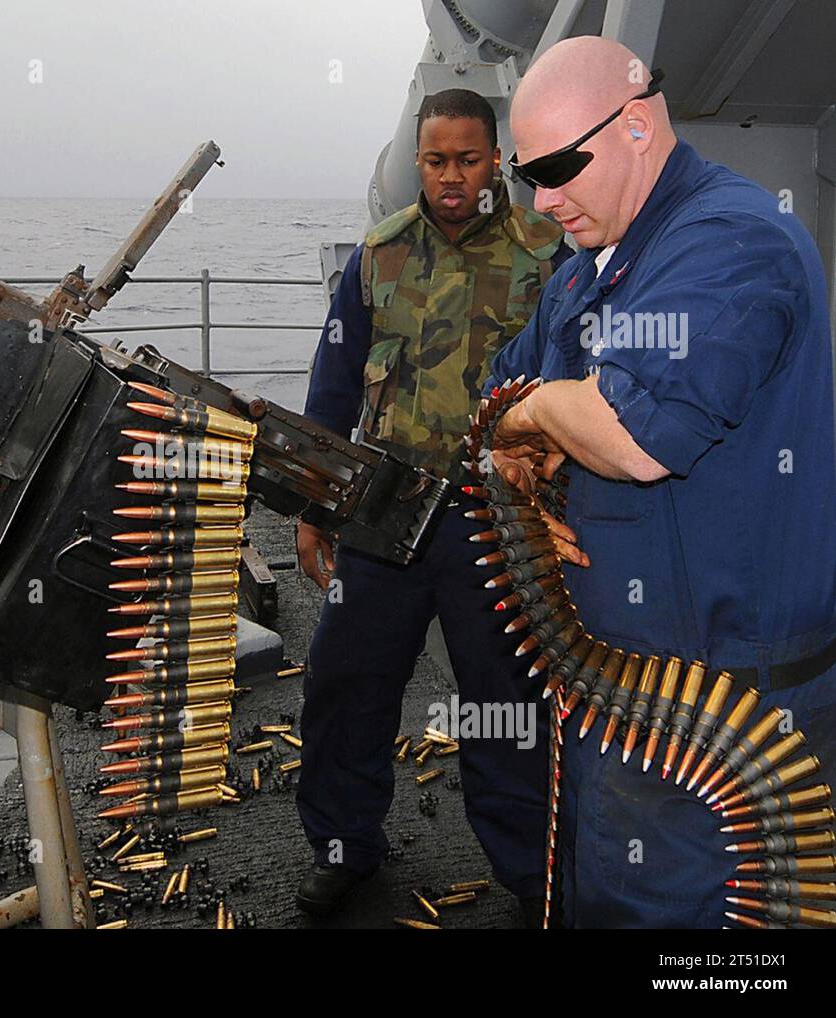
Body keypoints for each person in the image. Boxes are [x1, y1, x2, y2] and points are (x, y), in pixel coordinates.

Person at [484, 36, 836, 928]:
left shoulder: (731, 241)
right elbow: (496, 399)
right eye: (528, 173)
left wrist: (542, 415)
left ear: (637, 124)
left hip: (733, 713)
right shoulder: (584, 277)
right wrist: (512, 446)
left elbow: (634, 437)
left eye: (562, 166)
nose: (543, 198)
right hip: (617, 702)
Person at [294, 88, 570, 922]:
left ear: (497, 160)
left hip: (498, 518)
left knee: (507, 698)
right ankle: (343, 850)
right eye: (436, 160)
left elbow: (578, 389)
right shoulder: (375, 257)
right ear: (418, 161)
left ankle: (532, 876)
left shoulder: (548, 255)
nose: (452, 177)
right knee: (347, 682)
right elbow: (335, 386)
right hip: (384, 511)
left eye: (469, 159)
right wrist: (314, 505)